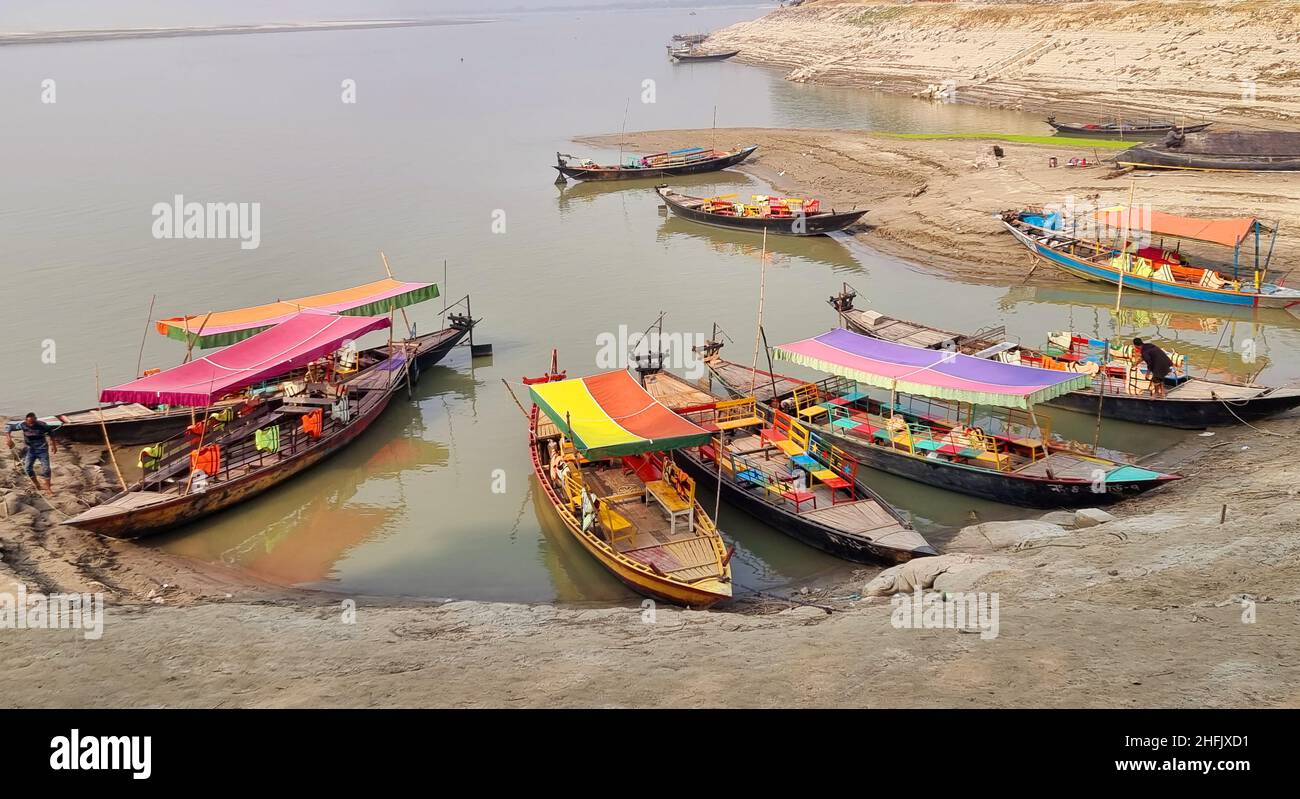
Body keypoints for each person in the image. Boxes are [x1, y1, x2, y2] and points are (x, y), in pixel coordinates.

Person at [7, 413, 57, 493]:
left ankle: (48, 488)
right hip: (31, 450)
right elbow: (9, 428)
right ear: (26, 421)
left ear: (36, 420)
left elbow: (51, 433)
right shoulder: (22, 425)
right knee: (28, 468)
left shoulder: (42, 425)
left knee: (46, 469)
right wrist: (9, 439)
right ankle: (37, 485)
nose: (31, 424)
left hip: (42, 449)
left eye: (33, 422)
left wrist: (53, 445)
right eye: (30, 423)